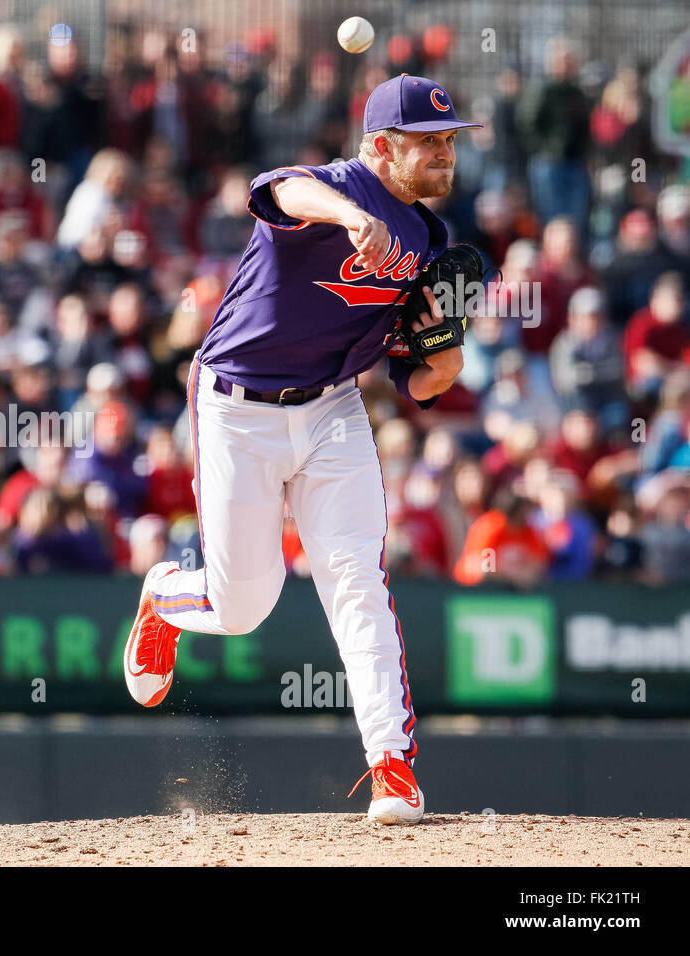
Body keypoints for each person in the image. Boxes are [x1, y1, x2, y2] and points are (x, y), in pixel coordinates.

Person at [122, 75, 480, 826]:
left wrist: (443, 367)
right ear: (381, 147)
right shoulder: (331, 187)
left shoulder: (428, 239)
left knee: (356, 582)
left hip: (334, 412)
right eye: (429, 143)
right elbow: (276, 189)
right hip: (236, 406)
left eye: (450, 141)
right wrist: (350, 214)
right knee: (243, 606)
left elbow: (418, 382)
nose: (446, 155)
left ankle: (392, 766)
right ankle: (165, 596)